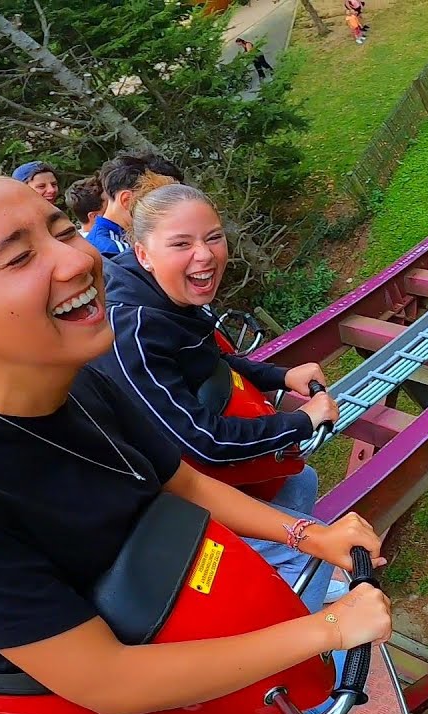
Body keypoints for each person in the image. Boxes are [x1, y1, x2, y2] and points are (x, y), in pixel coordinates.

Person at [0, 172, 392, 714]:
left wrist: (310, 535)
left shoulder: (72, 372)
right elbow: (107, 681)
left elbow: (177, 482)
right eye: (17, 259)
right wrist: (329, 626)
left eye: (61, 232)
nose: (78, 262)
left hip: (194, 610)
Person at [91, 172, 346, 606]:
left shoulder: (170, 296)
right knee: (312, 556)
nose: (204, 255)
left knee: (300, 480)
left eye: (213, 238)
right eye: (181, 244)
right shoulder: (133, 332)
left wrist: (280, 377)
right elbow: (204, 441)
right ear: (143, 253)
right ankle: (300, 641)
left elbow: (209, 359)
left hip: (192, 465)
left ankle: (284, 585)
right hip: (156, 498)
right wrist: (302, 420)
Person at [86, 152, 185, 258]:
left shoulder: (110, 240)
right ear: (127, 200)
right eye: (155, 198)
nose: (168, 206)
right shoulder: (115, 252)